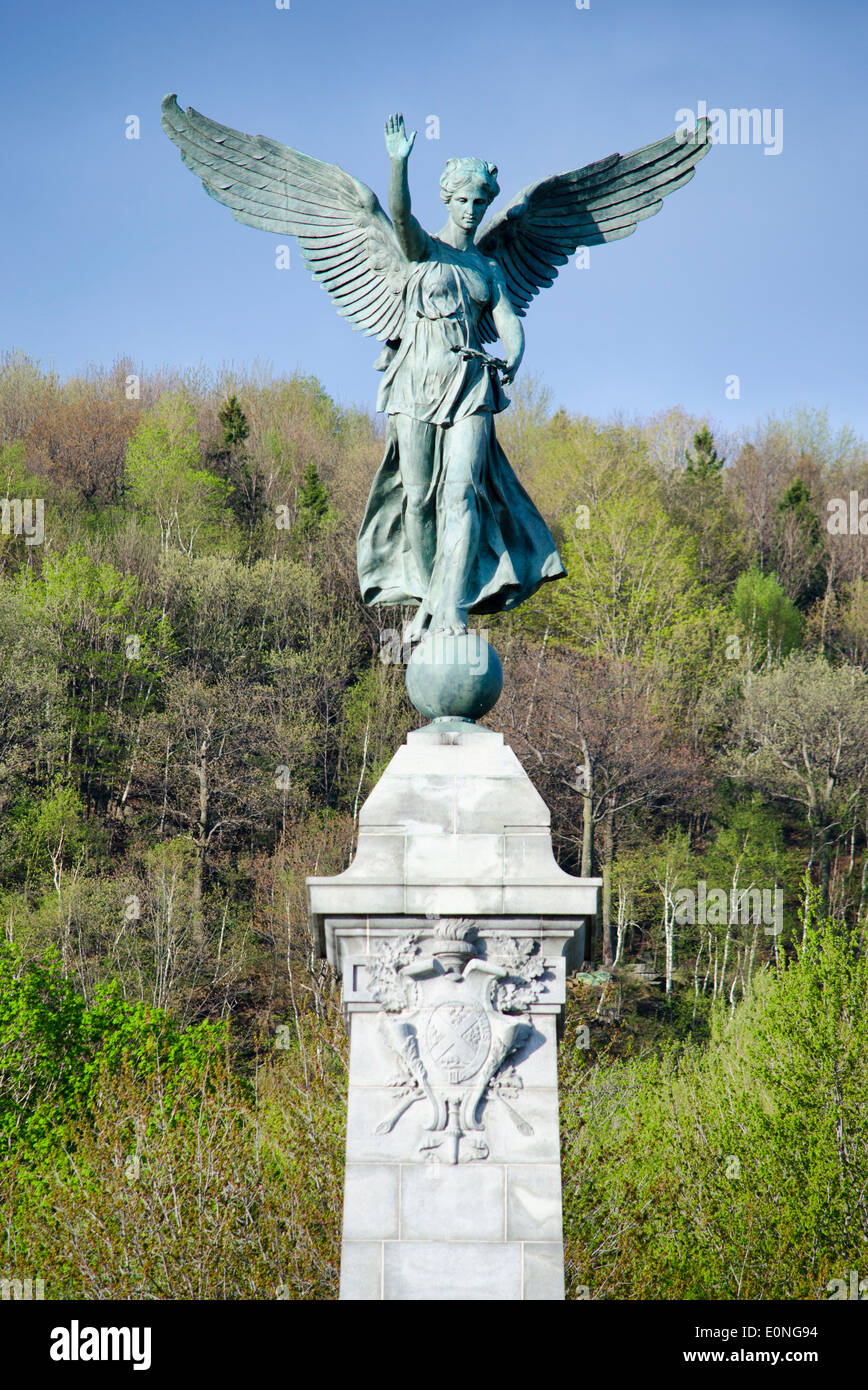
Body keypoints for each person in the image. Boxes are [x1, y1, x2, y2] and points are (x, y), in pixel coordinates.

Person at [357, 114, 565, 643]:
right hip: (415, 385)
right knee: (418, 495)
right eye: (464, 201)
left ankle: (450, 605)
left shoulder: (487, 270)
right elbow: (397, 214)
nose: (473, 211)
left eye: (481, 202)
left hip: (469, 383)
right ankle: (430, 595)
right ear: (447, 200)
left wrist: (513, 359)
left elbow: (508, 323)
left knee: (464, 493)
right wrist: (398, 162)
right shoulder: (422, 249)